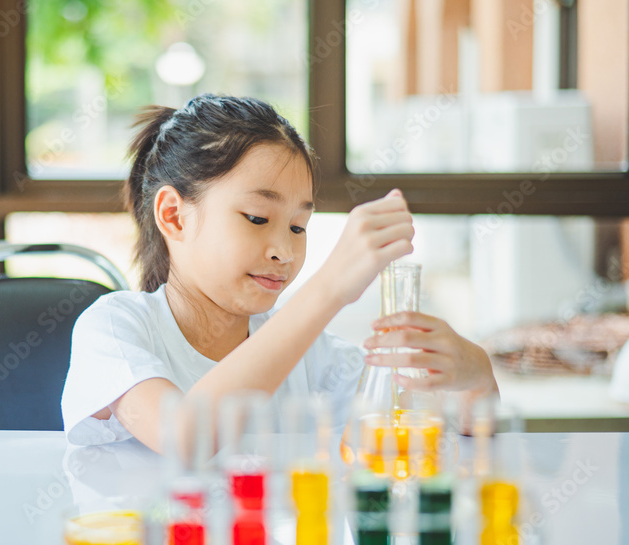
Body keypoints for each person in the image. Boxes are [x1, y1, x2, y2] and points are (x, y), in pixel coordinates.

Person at [60, 93, 497, 451]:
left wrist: (474, 373)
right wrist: (329, 288)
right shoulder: (116, 328)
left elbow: (455, 426)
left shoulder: (309, 356)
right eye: (256, 218)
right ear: (174, 215)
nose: (284, 251)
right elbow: (185, 437)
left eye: (298, 227)